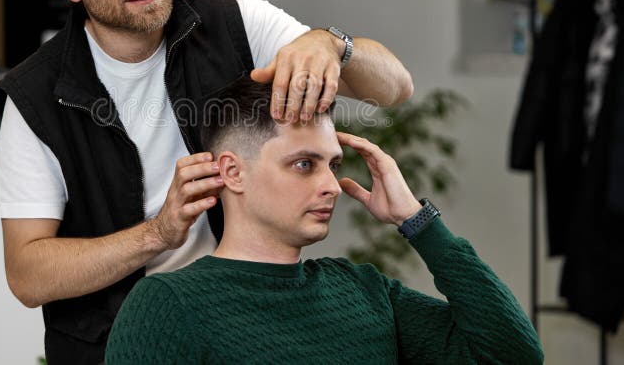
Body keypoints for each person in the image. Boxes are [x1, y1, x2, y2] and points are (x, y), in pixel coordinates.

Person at [0, 0, 413, 363]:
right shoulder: (35, 97)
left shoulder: (234, 21)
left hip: (239, 335)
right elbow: (28, 274)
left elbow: (394, 87)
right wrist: (157, 234)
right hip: (112, 349)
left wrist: (330, 44)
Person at [104, 79, 544, 364]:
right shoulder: (167, 304)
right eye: (304, 164)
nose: (332, 185)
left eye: (333, 164)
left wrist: (419, 222)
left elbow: (514, 355)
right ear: (232, 172)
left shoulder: (366, 292)